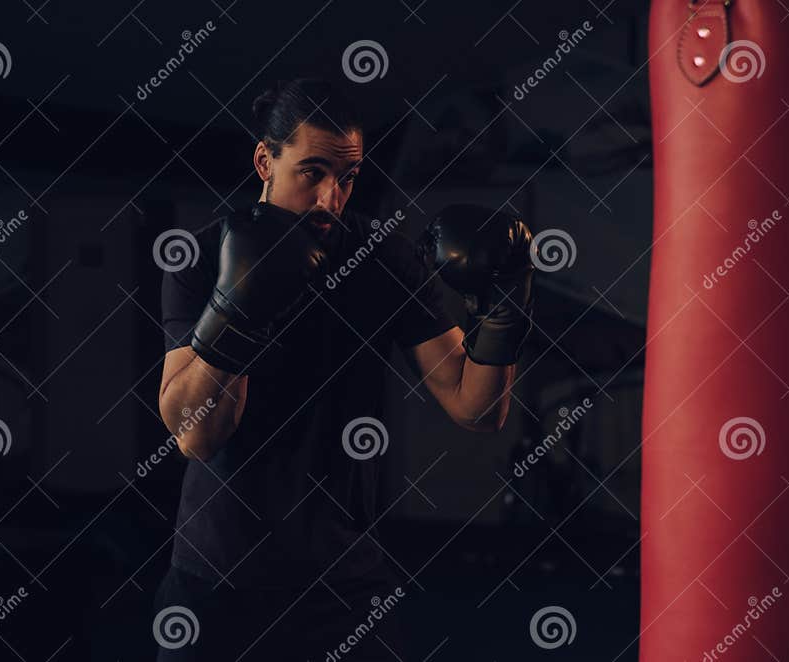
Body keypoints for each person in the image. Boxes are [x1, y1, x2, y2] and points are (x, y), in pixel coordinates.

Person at [153, 77, 536, 661]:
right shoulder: (203, 260)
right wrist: (236, 309)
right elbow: (195, 437)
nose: (331, 199)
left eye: (348, 177)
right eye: (312, 172)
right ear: (265, 161)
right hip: (219, 576)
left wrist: (506, 308)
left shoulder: (381, 258)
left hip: (344, 584)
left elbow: (477, 409)